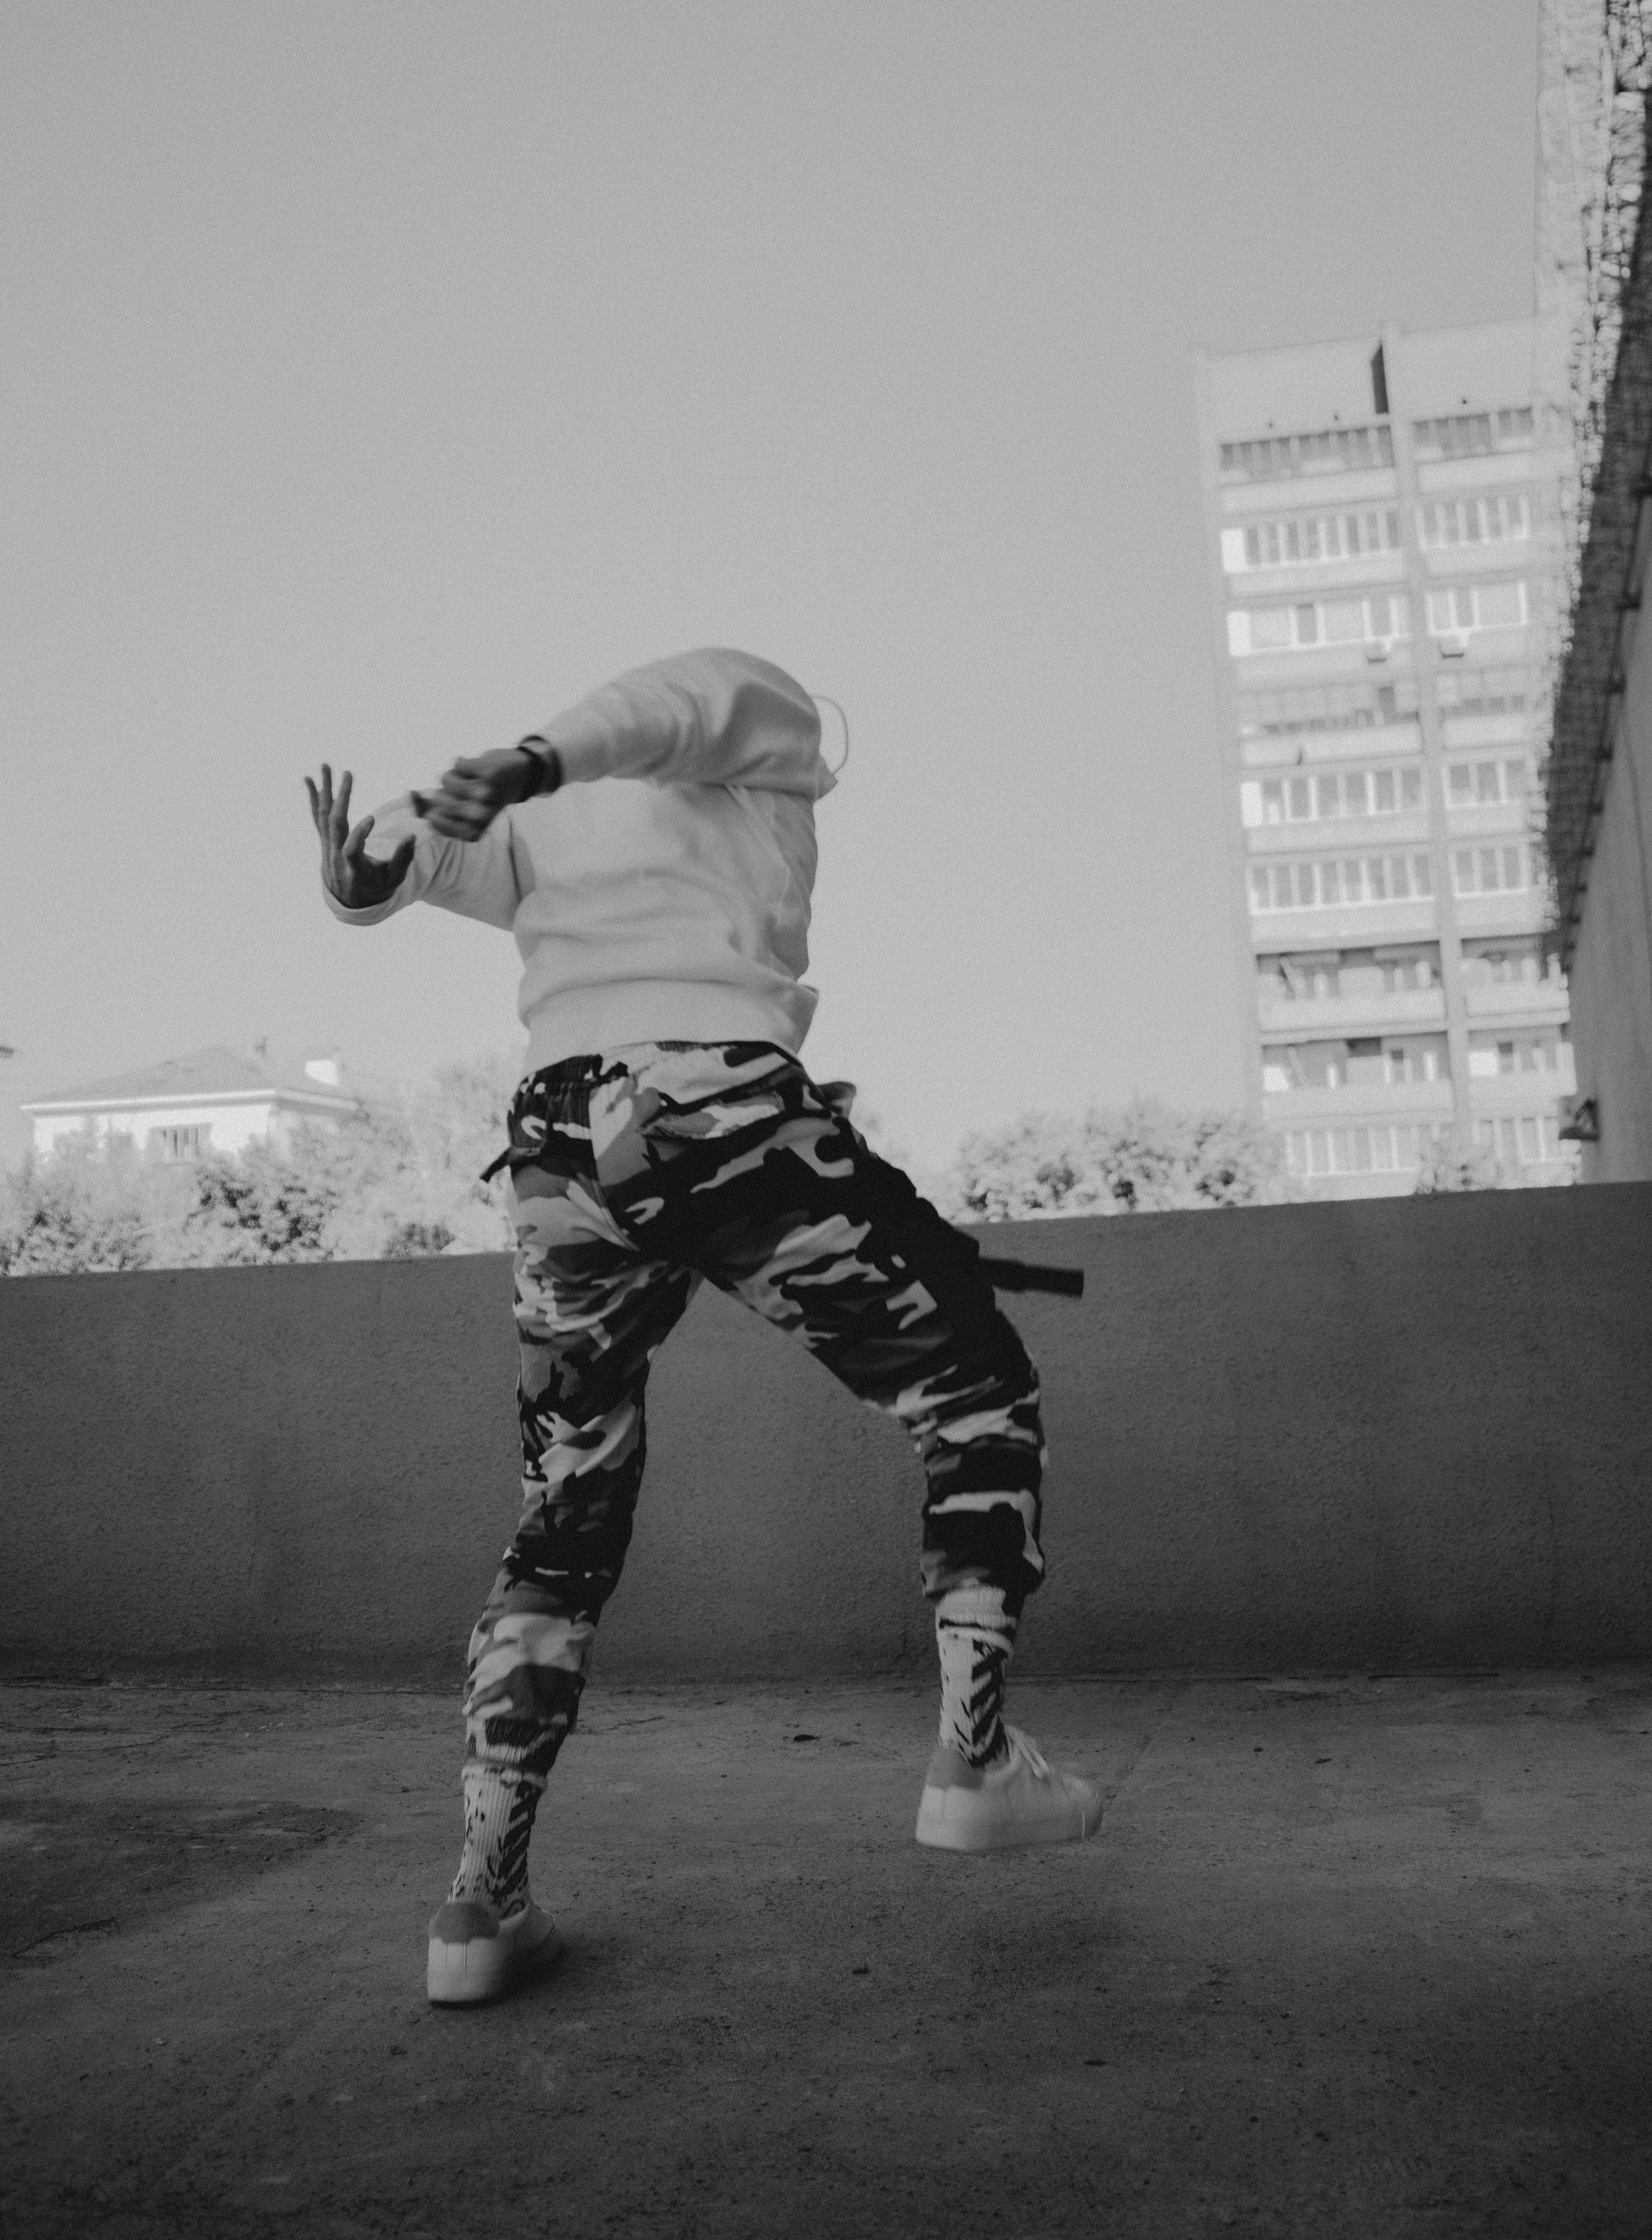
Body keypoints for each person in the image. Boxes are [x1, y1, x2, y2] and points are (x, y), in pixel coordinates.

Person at [306, 646, 1100, 2009]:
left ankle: (481, 1904)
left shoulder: (549, 826)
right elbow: (686, 704)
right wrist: (536, 759)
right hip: (713, 1102)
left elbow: (410, 861)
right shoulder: (758, 722)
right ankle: (974, 1755)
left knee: (563, 1514)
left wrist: (360, 874)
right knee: (974, 1386)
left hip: (563, 1146)